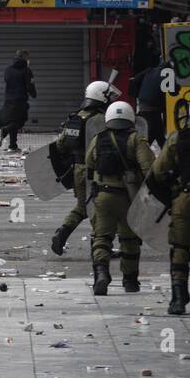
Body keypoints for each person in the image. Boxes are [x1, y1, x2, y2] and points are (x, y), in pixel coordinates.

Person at [146, 91, 190, 315]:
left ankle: (178, 300)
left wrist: (171, 197)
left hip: (181, 202)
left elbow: (156, 174)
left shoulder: (176, 138)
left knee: (179, 250)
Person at [86, 100, 154, 296]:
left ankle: (101, 275)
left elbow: (89, 162)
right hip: (128, 197)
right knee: (129, 239)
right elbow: (148, 168)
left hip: (102, 195)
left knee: (101, 237)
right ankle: (130, 281)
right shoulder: (136, 139)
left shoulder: (98, 138)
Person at [50, 80, 113, 256]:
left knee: (83, 206)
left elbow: (61, 145)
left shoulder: (76, 117)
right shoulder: (101, 119)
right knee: (99, 207)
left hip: (77, 168)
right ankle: (99, 246)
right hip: (94, 168)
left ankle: (61, 233)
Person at [0, 50, 37, 151]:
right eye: (28, 58)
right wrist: (33, 94)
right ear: (25, 58)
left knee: (12, 121)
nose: (29, 60)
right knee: (20, 121)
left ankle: (13, 145)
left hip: (8, 100)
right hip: (20, 101)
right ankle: (4, 131)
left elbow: (7, 80)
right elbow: (30, 86)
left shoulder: (8, 69)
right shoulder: (27, 70)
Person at [129, 52, 166, 148]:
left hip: (144, 107)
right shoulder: (166, 74)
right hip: (153, 109)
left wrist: (136, 94)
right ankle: (140, 153)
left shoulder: (149, 71)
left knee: (159, 135)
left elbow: (134, 79)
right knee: (154, 134)